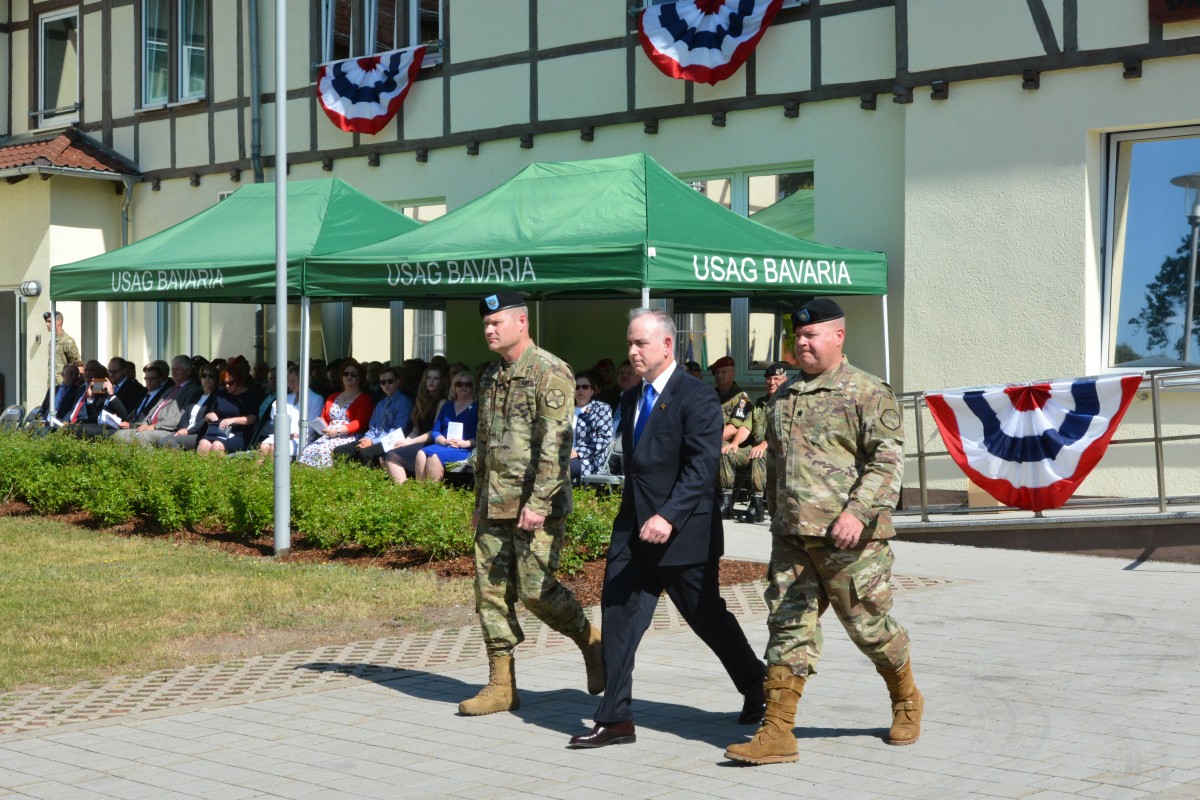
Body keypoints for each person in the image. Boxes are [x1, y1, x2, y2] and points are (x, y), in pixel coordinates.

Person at [725, 298, 921, 766]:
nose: (804, 343)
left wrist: (857, 511)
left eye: (813, 335)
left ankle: (907, 700)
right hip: (793, 539)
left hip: (849, 541)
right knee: (787, 629)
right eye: (799, 336)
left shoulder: (867, 392)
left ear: (839, 336)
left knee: (870, 630)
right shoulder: (785, 394)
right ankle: (777, 731)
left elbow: (886, 461)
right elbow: (773, 463)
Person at [568, 309, 765, 749]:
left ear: (667, 346)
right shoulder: (632, 396)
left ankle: (757, 684)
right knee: (618, 619)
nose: (632, 352)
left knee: (706, 618)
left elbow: (701, 467)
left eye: (641, 343)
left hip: (684, 534)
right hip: (634, 532)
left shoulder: (696, 397)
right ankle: (616, 718)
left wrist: (668, 515)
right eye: (630, 343)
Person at [459, 291, 602, 716]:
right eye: (486, 324)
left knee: (535, 591)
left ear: (521, 322)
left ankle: (590, 639)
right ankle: (501, 684)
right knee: (490, 594)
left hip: (536, 506)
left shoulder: (550, 371)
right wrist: (480, 499)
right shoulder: (490, 376)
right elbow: (484, 444)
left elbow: (557, 447)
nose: (488, 329)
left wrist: (539, 501)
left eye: (496, 322)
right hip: (495, 504)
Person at [711, 356, 763, 520]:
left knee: (719, 450)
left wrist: (707, 440)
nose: (720, 375)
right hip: (714, 441)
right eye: (717, 372)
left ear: (733, 373)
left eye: (724, 372)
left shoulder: (741, 399)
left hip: (736, 446)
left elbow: (733, 428)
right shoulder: (710, 394)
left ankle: (724, 502)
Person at [738, 361, 790, 522]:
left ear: (785, 380)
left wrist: (764, 444)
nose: (772, 382)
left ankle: (757, 506)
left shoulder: (788, 402)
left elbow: (784, 433)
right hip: (755, 448)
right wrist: (734, 443)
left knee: (759, 456)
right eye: (768, 379)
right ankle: (724, 501)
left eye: (776, 379)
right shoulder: (760, 403)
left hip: (778, 453)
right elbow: (746, 427)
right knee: (728, 453)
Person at [299, 358, 374, 467]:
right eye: (346, 374)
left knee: (323, 451)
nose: (349, 377)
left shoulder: (364, 398)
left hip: (349, 436)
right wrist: (322, 424)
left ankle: (326, 481)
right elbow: (324, 417)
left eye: (353, 375)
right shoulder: (333, 396)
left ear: (360, 378)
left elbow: (359, 423)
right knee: (308, 450)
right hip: (330, 434)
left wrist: (338, 431)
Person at [116, 355, 203, 447]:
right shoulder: (169, 389)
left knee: (144, 436)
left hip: (167, 429)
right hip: (150, 427)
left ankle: (150, 461)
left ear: (188, 371)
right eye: (172, 369)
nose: (173, 372)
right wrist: (145, 423)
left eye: (177, 369)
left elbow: (181, 417)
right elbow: (154, 410)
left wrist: (154, 426)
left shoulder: (193, 390)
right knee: (119, 435)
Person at [381, 365, 446, 483]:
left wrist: (410, 442)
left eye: (435, 378)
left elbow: (434, 432)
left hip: (431, 442)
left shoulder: (443, 402)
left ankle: (406, 492)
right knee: (386, 454)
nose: (431, 381)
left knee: (392, 456)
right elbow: (415, 429)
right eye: (428, 378)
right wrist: (406, 440)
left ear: (441, 382)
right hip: (417, 440)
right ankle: (404, 489)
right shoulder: (420, 400)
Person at [414, 371, 477, 481]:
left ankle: (432, 494)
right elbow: (435, 431)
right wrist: (442, 441)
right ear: (454, 387)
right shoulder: (447, 405)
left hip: (465, 449)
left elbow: (483, 435)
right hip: (444, 445)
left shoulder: (478, 406)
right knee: (421, 453)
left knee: (433, 457)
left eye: (468, 384)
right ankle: (421, 493)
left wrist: (466, 443)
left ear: (473, 387)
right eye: (459, 384)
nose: (463, 386)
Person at [259, 365, 325, 458]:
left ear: (303, 379)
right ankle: (261, 472)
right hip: (284, 435)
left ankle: (272, 472)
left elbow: (311, 424)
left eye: (293, 381)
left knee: (275, 447)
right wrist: (276, 406)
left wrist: (294, 434)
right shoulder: (287, 398)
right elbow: (275, 419)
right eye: (289, 382)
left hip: (301, 438)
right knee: (263, 446)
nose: (291, 385)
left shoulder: (316, 399)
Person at [196, 362, 261, 454]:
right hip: (218, 431)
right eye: (224, 383)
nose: (227, 386)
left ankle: (218, 468)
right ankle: (200, 468)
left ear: (239, 381)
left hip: (238, 433)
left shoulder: (250, 395)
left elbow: (252, 418)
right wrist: (209, 416)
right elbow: (209, 414)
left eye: (231, 383)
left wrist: (232, 420)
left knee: (217, 445)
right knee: (203, 444)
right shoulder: (221, 394)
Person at [570, 369, 613, 482]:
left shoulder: (602, 408)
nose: (580, 390)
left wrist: (578, 452)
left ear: (592, 391)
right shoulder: (566, 410)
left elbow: (604, 438)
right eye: (577, 387)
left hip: (590, 459)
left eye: (585, 387)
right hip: (565, 456)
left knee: (559, 469)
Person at [163, 366, 219, 450]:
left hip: (200, 433)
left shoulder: (217, 398)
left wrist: (188, 431)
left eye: (211, 376)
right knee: (162, 441)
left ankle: (180, 463)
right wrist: (183, 429)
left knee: (171, 442)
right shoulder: (197, 395)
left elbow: (206, 421)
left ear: (216, 379)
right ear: (200, 378)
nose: (207, 378)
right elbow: (185, 414)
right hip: (186, 431)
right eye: (204, 375)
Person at [43, 311, 80, 377]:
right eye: (46, 321)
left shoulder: (68, 341)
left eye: (49, 321)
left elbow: (76, 364)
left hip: (63, 383)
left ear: (59, 322)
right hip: (52, 383)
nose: (47, 324)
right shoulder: (52, 341)